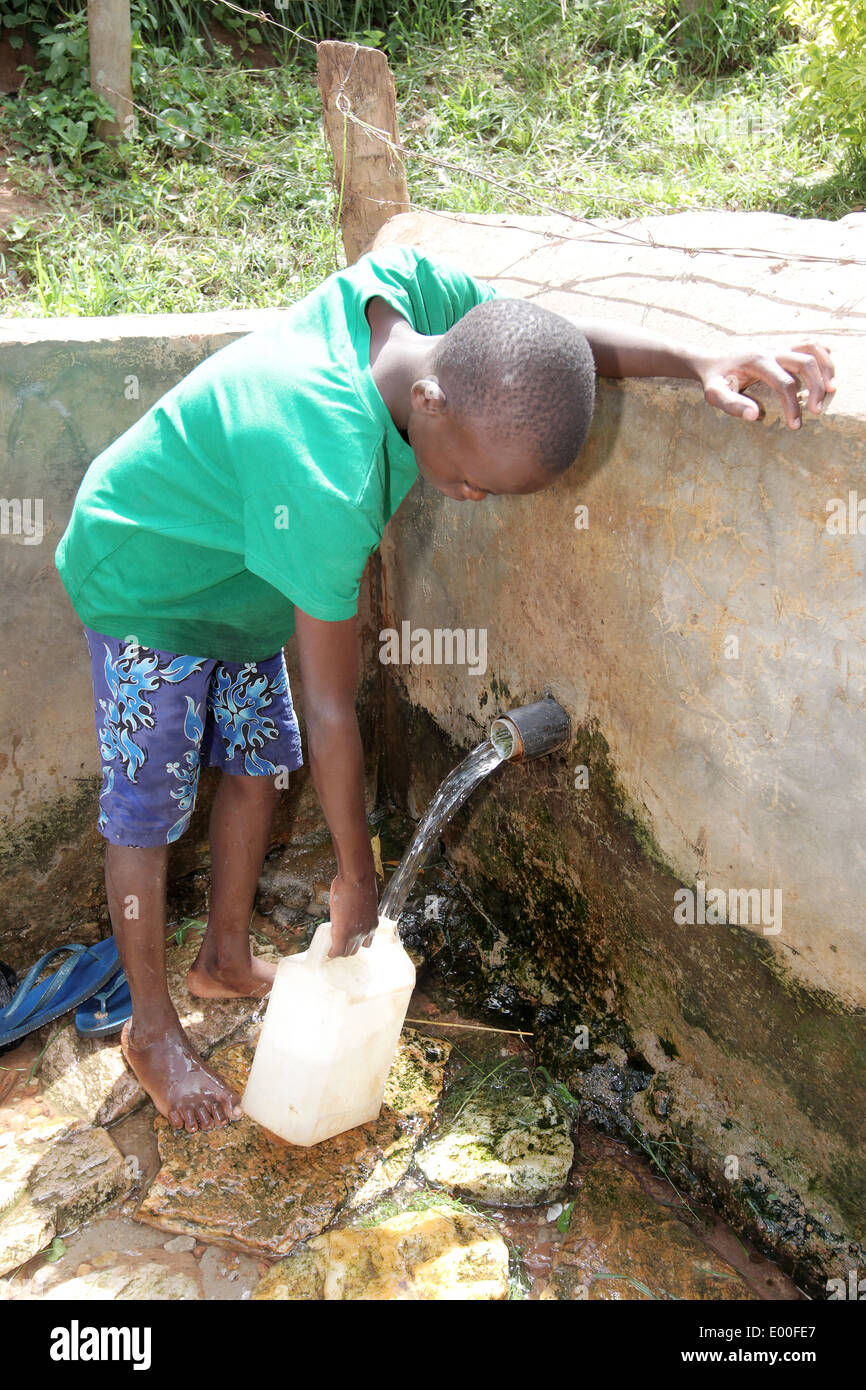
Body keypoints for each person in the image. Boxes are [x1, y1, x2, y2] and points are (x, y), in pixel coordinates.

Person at [54, 245, 836, 1133]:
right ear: (427, 401)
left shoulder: (427, 303)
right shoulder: (326, 472)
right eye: (468, 477)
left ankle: (222, 960)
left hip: (245, 582)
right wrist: (357, 875)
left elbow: (545, 348)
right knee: (147, 815)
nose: (466, 496)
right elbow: (332, 708)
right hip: (147, 582)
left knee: (258, 767)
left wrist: (695, 356)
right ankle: (151, 1032)